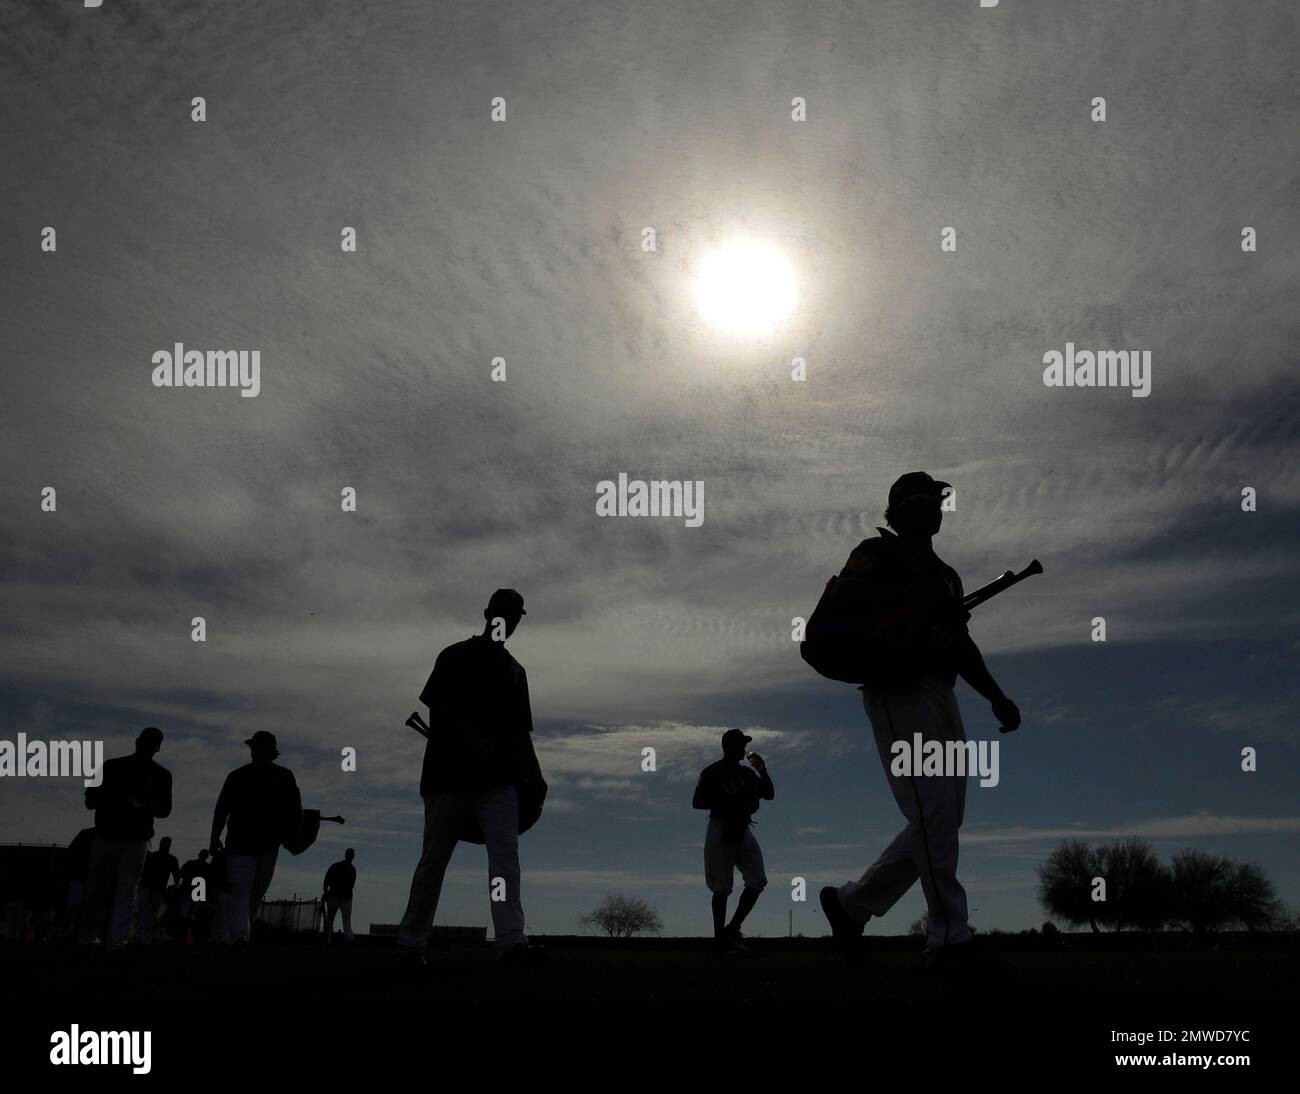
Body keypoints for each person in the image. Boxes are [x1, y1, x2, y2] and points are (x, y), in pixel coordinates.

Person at [819, 472, 1021, 963]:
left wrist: (996, 696)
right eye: (928, 500)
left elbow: (959, 643)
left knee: (944, 818)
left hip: (941, 691)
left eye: (940, 500)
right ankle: (950, 938)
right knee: (932, 813)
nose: (937, 508)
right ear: (902, 508)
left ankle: (852, 904)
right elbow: (846, 602)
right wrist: (912, 606)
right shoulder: (877, 553)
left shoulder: (948, 575)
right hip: (897, 688)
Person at [397, 588, 546, 966]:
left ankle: (511, 941)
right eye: (502, 613)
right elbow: (441, 712)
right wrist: (475, 744)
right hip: (449, 775)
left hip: (498, 780)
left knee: (504, 861)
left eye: (513, 616)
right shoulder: (455, 656)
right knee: (433, 861)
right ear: (487, 613)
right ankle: (411, 943)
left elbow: (520, 733)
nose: (507, 622)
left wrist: (535, 773)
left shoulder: (516, 670)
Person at [76, 727, 172, 953]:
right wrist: (119, 802)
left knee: (115, 890)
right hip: (114, 836)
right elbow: (91, 799)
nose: (149, 747)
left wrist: (144, 805)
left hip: (127, 838)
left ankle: (102, 939)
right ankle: (106, 940)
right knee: (114, 890)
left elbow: (164, 809)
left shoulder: (117, 767)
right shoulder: (114, 767)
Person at [209, 731, 303, 949]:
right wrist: (214, 836)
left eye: (258, 747)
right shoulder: (240, 776)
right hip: (242, 845)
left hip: (267, 844)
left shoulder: (281, 776)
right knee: (242, 892)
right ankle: (240, 937)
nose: (254, 751)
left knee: (254, 894)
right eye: (254, 748)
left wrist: (294, 834)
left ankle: (242, 934)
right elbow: (222, 809)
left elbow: (294, 811)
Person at [693, 729, 775, 954]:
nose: (744, 749)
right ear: (728, 747)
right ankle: (721, 940)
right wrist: (733, 802)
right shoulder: (712, 772)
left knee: (757, 880)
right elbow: (697, 801)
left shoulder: (748, 774)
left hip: (743, 827)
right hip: (720, 826)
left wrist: (762, 769)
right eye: (740, 744)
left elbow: (769, 794)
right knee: (721, 887)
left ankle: (731, 930)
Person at [136, 836, 180, 943]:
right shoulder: (171, 859)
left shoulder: (152, 857)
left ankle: (143, 935)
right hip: (155, 889)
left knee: (147, 913)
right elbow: (176, 876)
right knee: (150, 913)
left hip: (152, 888)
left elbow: (142, 873)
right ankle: (145, 936)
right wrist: (175, 886)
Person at [322, 849, 357, 945]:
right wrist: (326, 893)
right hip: (339, 897)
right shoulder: (351, 870)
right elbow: (327, 881)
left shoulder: (337, 867)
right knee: (342, 920)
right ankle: (343, 938)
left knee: (332, 919)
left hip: (340, 897)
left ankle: (333, 939)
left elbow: (326, 881)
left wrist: (325, 893)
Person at [177, 849, 210, 941]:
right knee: (191, 916)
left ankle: (183, 936)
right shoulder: (207, 867)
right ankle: (188, 936)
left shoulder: (191, 863)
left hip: (189, 892)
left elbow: (181, 874)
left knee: (186, 915)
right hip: (196, 893)